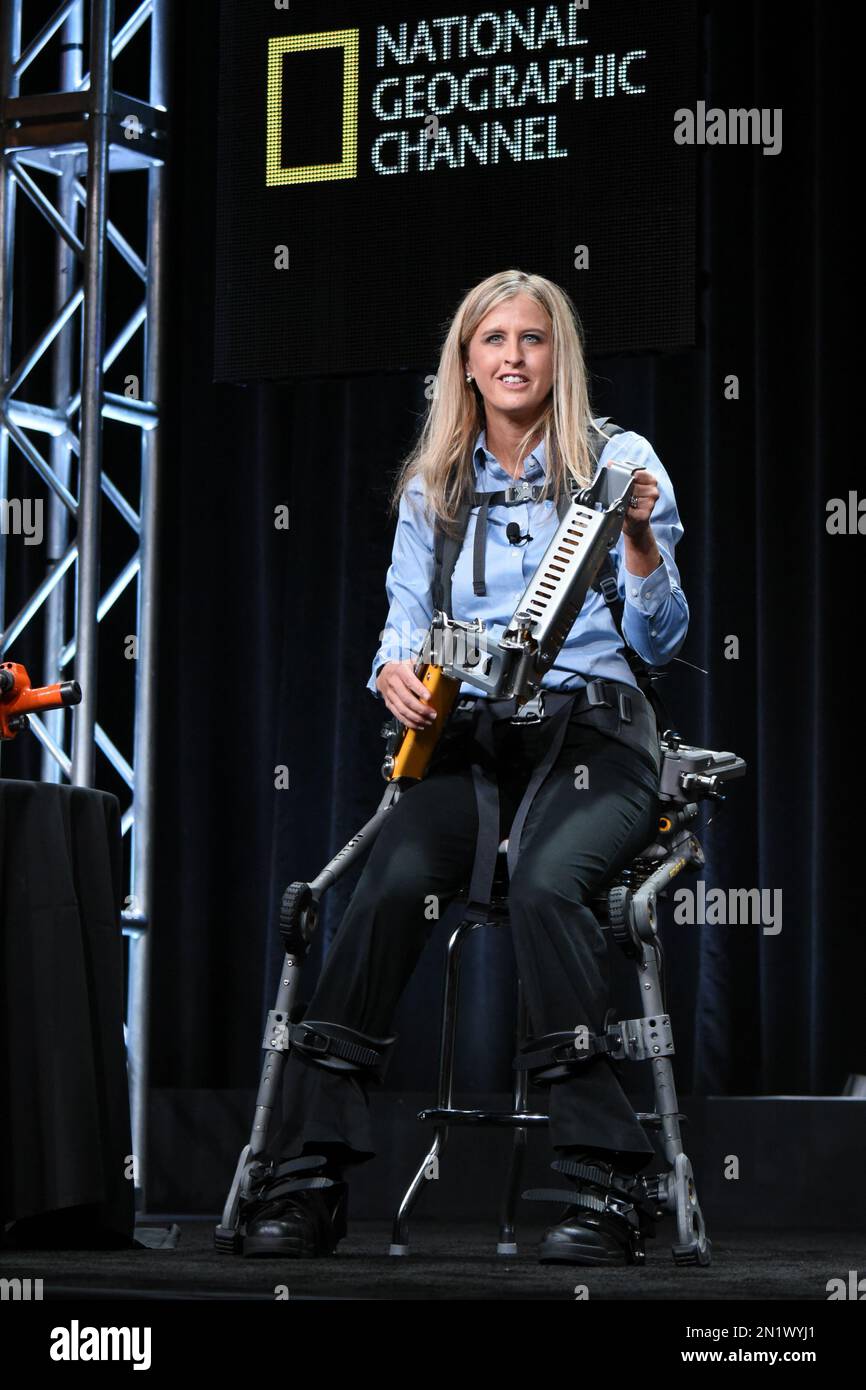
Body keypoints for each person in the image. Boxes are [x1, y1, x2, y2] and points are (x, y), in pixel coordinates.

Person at [243, 269, 689, 1265]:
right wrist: (392, 674)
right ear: (466, 361)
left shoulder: (618, 462)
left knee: (544, 886)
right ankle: (308, 1175)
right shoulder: (432, 487)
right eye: (492, 339)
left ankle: (611, 1180)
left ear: (555, 354)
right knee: (387, 882)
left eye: (531, 337)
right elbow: (399, 627)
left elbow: (661, 642)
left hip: (593, 737)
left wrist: (636, 546)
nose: (513, 356)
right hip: (471, 739)